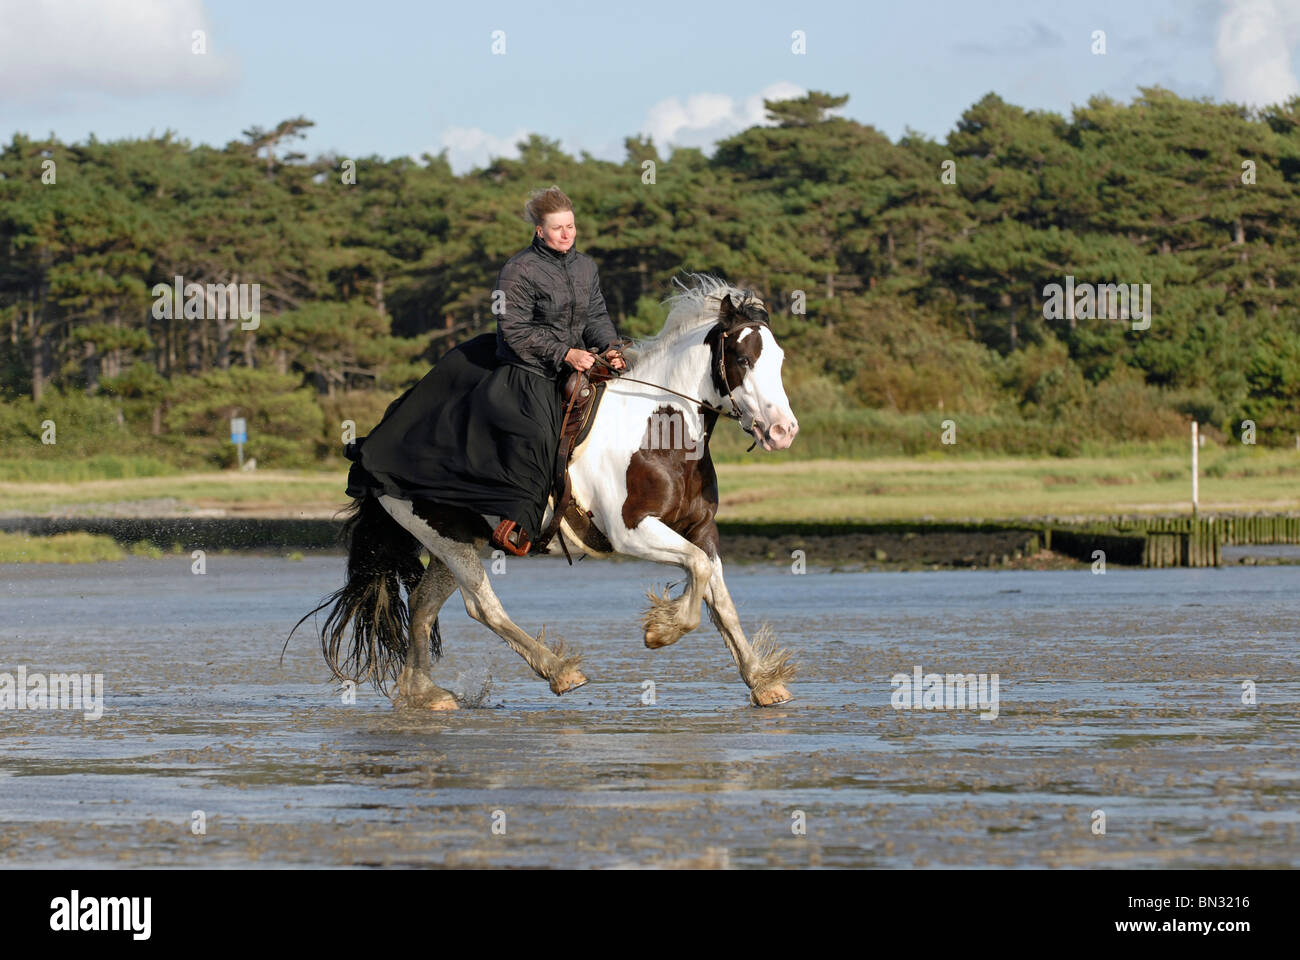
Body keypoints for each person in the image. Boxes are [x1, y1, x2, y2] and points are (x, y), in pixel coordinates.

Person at [483, 185, 625, 554]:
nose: (566, 234)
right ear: (539, 231)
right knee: (540, 435)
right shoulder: (518, 270)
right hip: (527, 370)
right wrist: (565, 353)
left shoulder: (585, 267)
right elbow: (512, 330)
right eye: (558, 228)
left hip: (577, 365)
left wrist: (610, 348)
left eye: (571, 227)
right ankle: (519, 521)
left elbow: (596, 317)